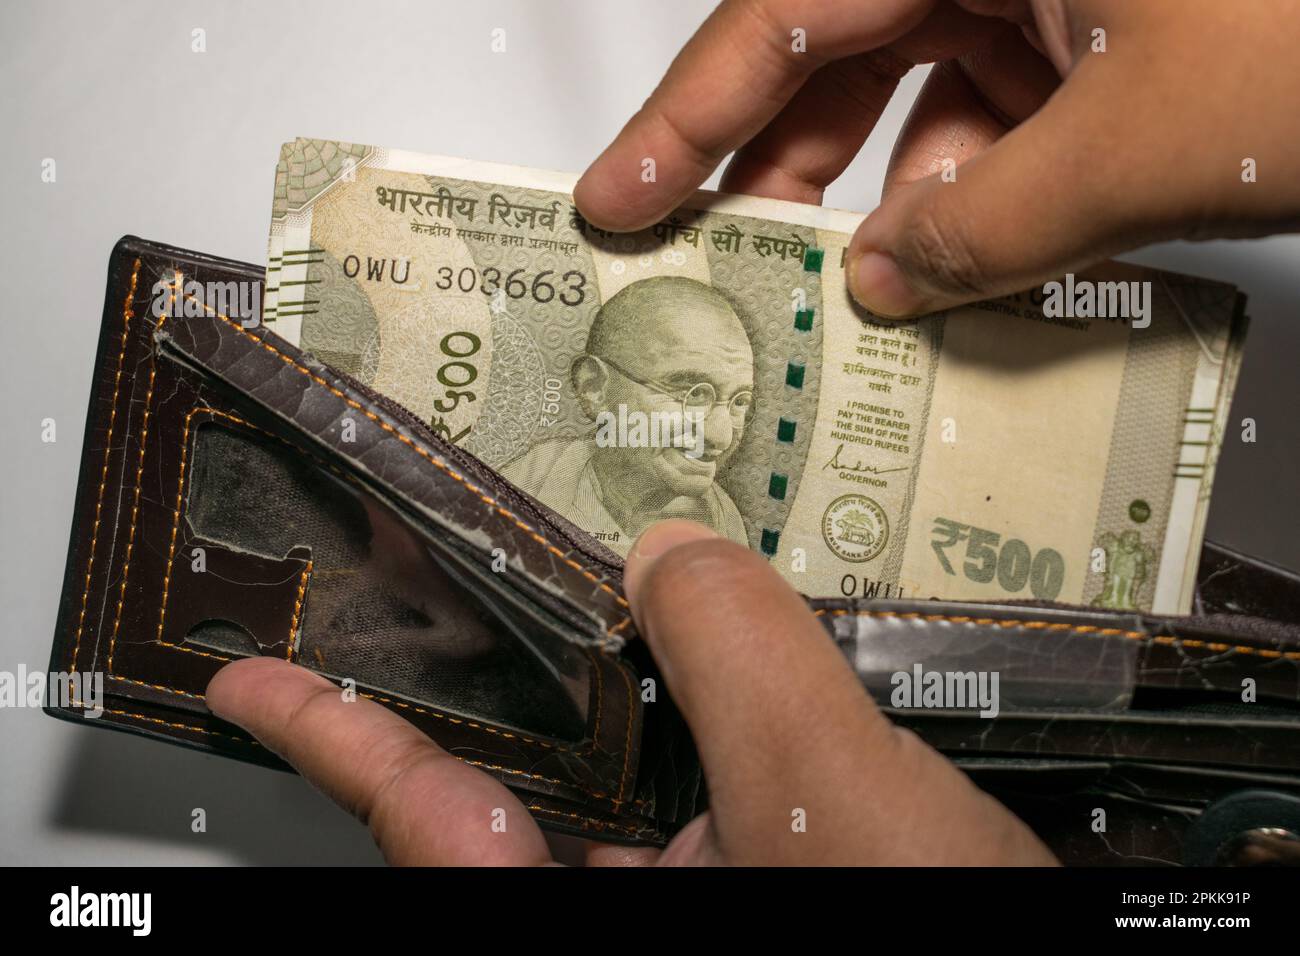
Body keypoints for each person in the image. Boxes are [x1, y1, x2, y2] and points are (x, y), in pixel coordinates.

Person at [208, 0, 1300, 865]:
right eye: (686, 386)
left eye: (734, 398)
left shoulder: (720, 517)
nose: (719, 426)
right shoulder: (484, 506)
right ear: (593, 383)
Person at [501, 275, 753, 553]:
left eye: (739, 402)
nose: (721, 436)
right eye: (690, 394)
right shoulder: (516, 493)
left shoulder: (725, 525)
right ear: (594, 388)